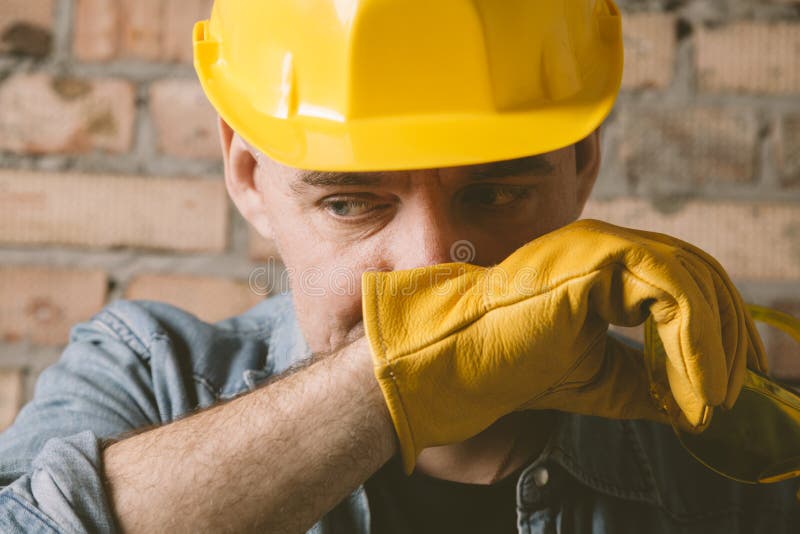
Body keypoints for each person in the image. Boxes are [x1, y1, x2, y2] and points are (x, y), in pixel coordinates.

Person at [1, 1, 798, 532]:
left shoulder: (721, 463)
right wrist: (396, 382)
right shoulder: (146, 376)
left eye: (495, 193)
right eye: (352, 203)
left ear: (582, 163)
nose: (429, 265)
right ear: (249, 177)